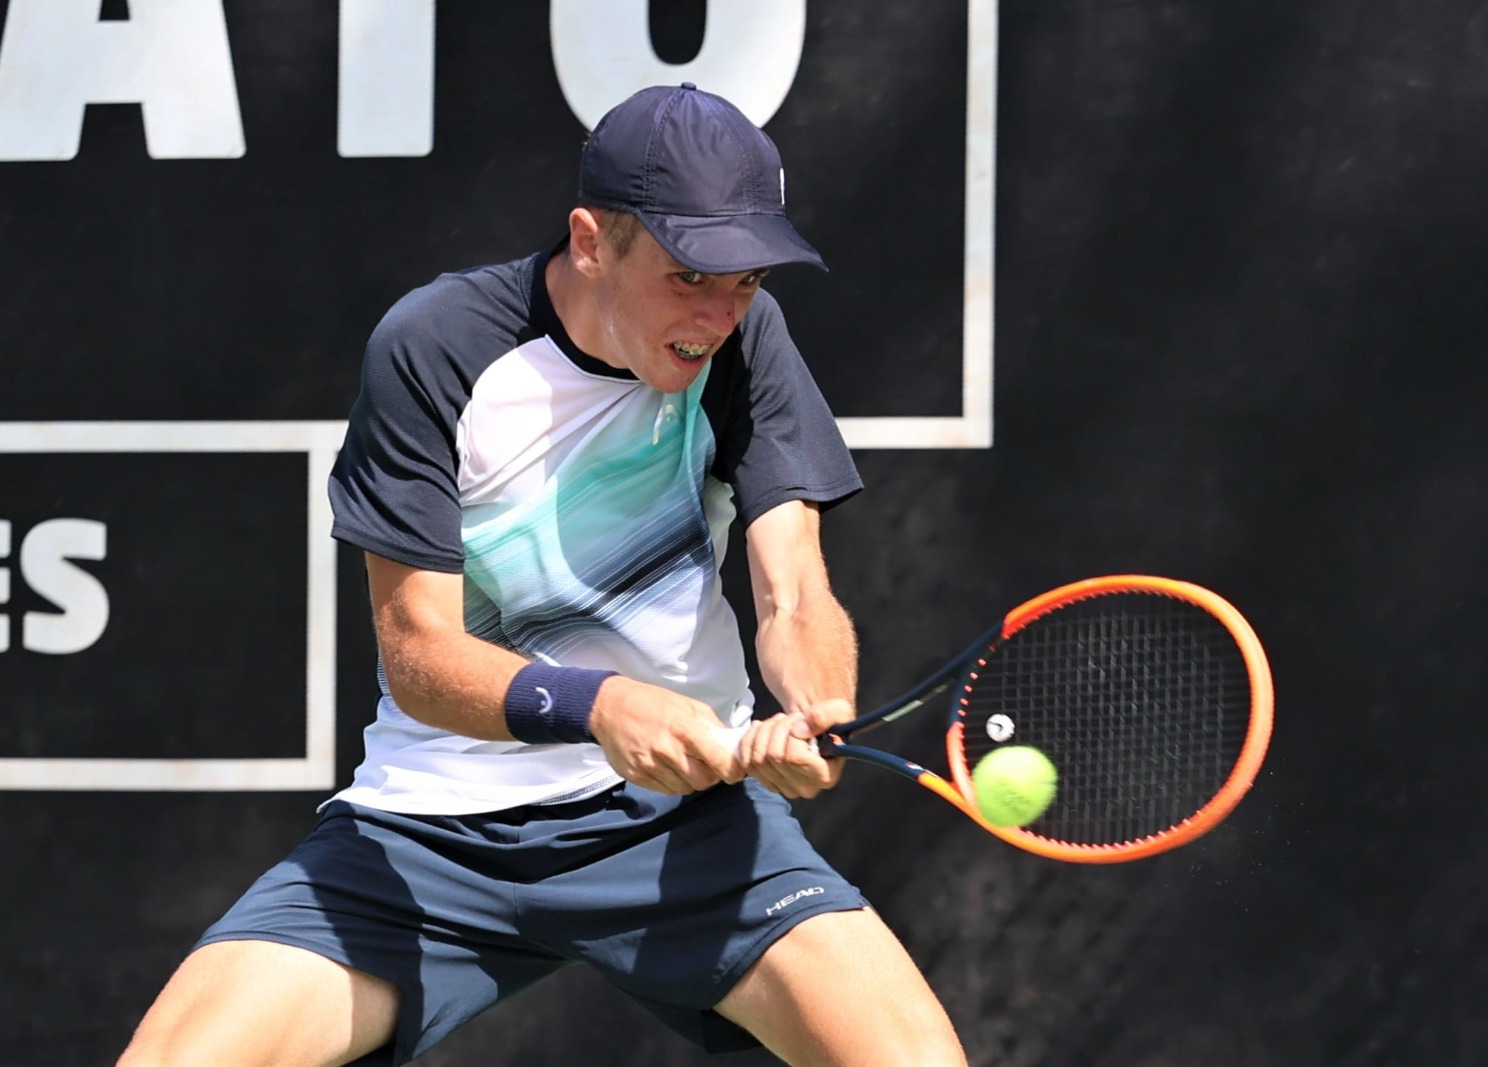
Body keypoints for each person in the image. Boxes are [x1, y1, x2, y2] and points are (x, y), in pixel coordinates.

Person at [118, 83, 966, 1067]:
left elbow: (794, 590)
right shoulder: (437, 343)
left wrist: (816, 705)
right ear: (592, 239)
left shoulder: (747, 342)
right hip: (430, 835)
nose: (720, 313)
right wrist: (601, 704)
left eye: (746, 280)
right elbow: (418, 652)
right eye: (691, 274)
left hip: (681, 829)